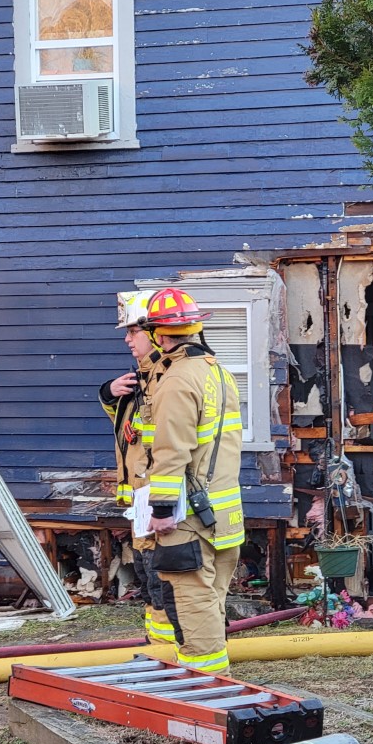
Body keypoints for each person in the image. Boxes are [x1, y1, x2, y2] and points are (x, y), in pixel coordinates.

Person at [142, 288, 244, 675]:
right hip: (225, 516)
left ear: (158, 334)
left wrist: (162, 509)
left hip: (188, 520)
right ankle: (215, 682)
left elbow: (171, 450)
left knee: (190, 606)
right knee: (211, 603)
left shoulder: (177, 380)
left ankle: (207, 687)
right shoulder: (219, 373)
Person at [99, 290, 177, 645]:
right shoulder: (142, 381)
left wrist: (161, 504)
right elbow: (127, 430)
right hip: (144, 502)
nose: (127, 340)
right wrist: (109, 393)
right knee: (149, 580)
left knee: (165, 582)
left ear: (155, 331)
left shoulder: (168, 380)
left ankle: (170, 651)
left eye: (133, 331)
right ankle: (158, 646)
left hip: (163, 504)